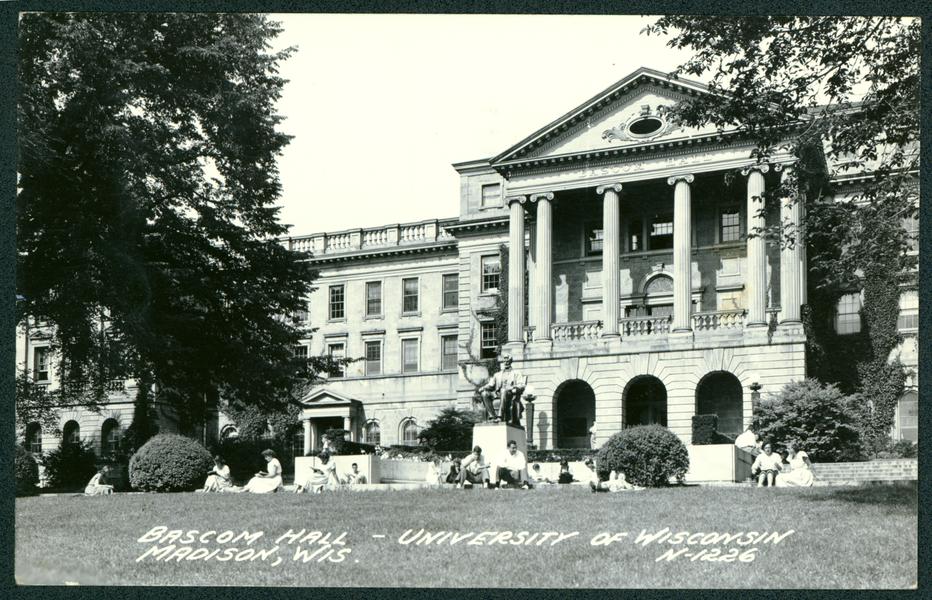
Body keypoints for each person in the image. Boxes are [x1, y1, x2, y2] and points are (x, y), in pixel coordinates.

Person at [479, 354, 527, 425]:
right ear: (503, 362)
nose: (506, 362)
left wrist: (514, 388)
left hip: (510, 394)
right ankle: (493, 417)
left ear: (511, 362)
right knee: (484, 394)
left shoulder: (517, 373)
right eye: (505, 361)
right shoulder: (497, 374)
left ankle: (500, 416)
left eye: (508, 361)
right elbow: (491, 385)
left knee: (503, 390)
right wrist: (483, 388)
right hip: (497, 394)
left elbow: (521, 385)